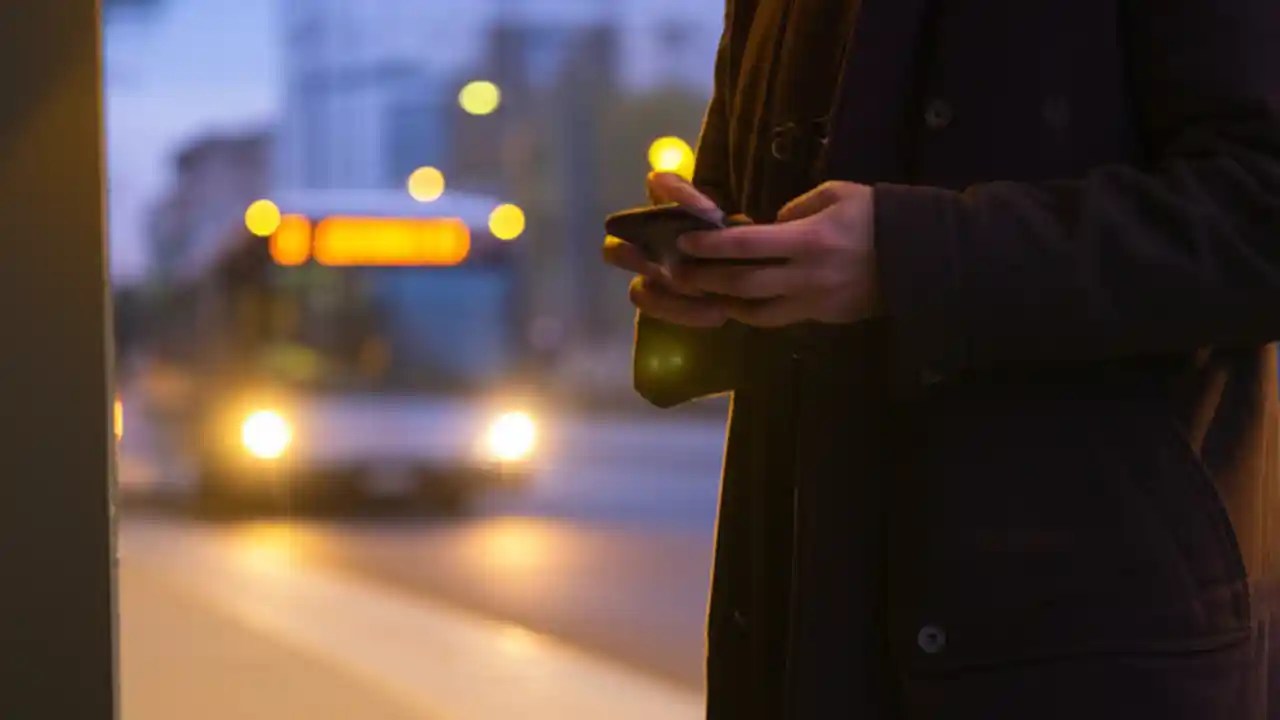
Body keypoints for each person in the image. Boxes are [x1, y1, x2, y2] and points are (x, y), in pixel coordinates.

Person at [602, 0, 1280, 717]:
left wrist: (907, 257)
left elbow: (1261, 211)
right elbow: (774, 211)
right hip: (804, 631)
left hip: (1083, 645)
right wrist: (721, 272)